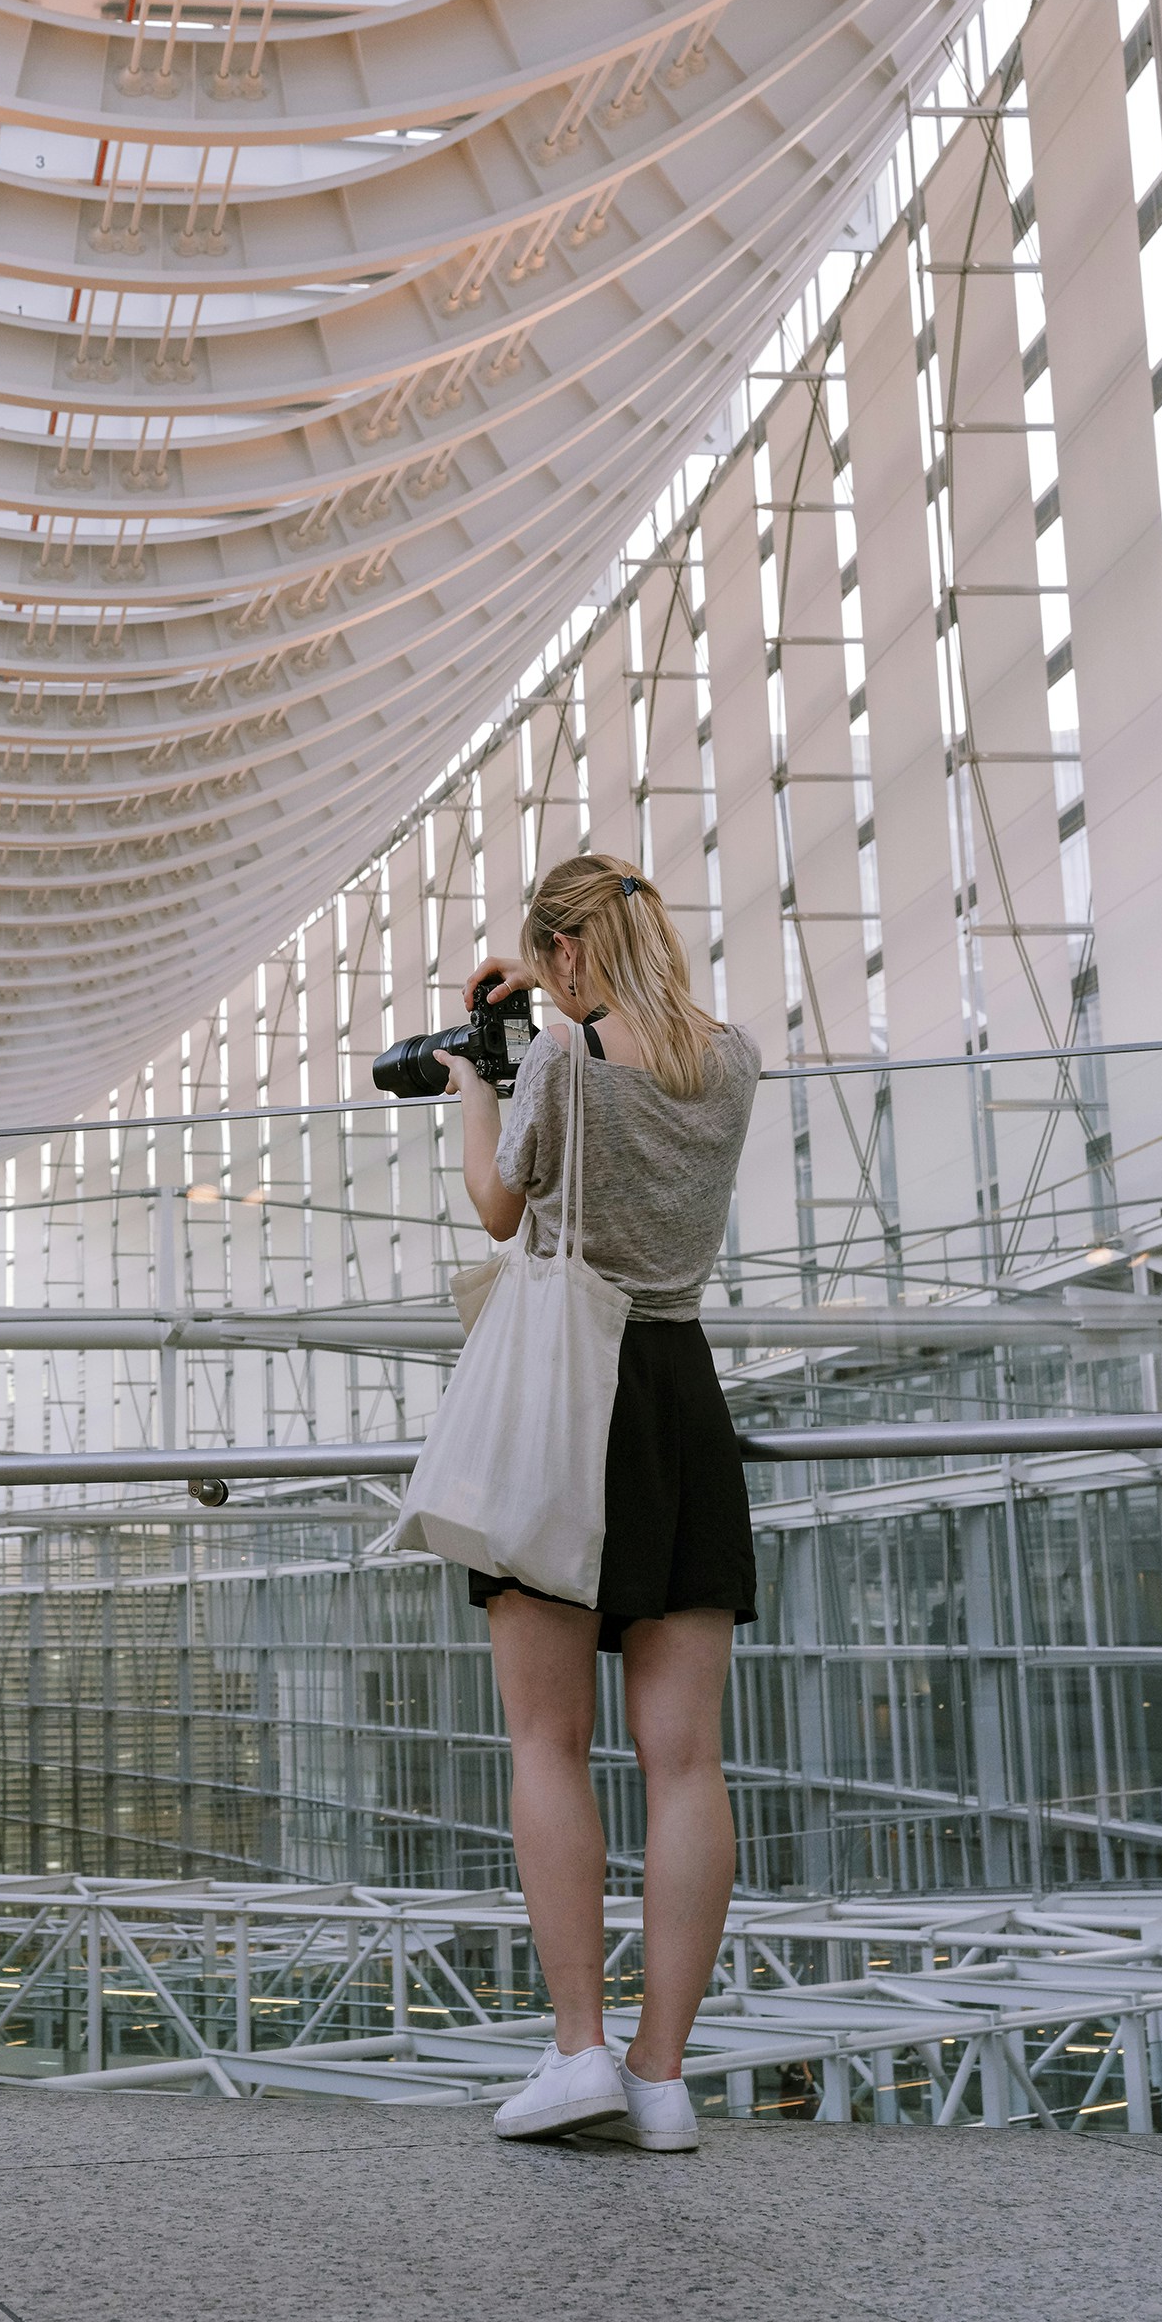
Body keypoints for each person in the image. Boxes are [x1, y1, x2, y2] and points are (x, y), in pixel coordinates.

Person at [434, 852, 760, 2154]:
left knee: (544, 1742)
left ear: (560, 955)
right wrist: (559, 1009)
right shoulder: (730, 1058)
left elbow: (501, 1210)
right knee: (683, 1759)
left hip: (568, 1396)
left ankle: (576, 2052)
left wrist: (475, 1084)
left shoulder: (561, 1059)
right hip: (681, 1393)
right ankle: (663, 2077)